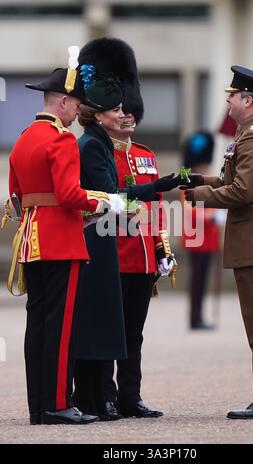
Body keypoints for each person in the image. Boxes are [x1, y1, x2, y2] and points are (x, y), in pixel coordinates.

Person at [7, 60, 125, 425]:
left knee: (38, 326)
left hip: (32, 240)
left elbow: (15, 195)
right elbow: (70, 194)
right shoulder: (60, 139)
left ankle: (38, 406)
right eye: (76, 104)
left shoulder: (25, 137)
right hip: (60, 241)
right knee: (60, 328)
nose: (78, 111)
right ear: (62, 103)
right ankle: (57, 403)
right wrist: (105, 202)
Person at [183, 65, 253, 419]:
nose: (229, 101)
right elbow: (228, 177)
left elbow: (242, 191)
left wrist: (196, 196)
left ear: (248, 100)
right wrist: (191, 179)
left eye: (232, 96)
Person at [78, 37, 177, 419]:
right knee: (110, 333)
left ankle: (130, 397)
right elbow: (112, 198)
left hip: (141, 259)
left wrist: (162, 250)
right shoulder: (98, 151)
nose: (127, 116)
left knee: (133, 335)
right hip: (111, 254)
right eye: (119, 110)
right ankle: (104, 394)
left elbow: (155, 209)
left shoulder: (146, 155)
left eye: (128, 109)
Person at [181, 131, 223, 330]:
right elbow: (189, 210)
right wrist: (211, 217)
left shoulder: (205, 181)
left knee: (202, 280)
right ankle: (195, 318)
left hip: (208, 237)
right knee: (197, 281)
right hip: (196, 236)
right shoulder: (186, 182)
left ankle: (198, 317)